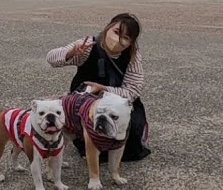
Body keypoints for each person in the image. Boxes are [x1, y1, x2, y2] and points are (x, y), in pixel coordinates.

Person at [47, 12, 150, 162]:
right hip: (85, 102)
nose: (118, 40)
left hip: (116, 101)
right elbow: (51, 59)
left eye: (126, 38)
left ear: (131, 42)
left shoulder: (133, 56)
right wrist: (72, 52)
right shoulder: (88, 45)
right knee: (89, 137)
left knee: (131, 142)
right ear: (108, 28)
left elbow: (133, 90)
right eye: (116, 32)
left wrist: (103, 89)